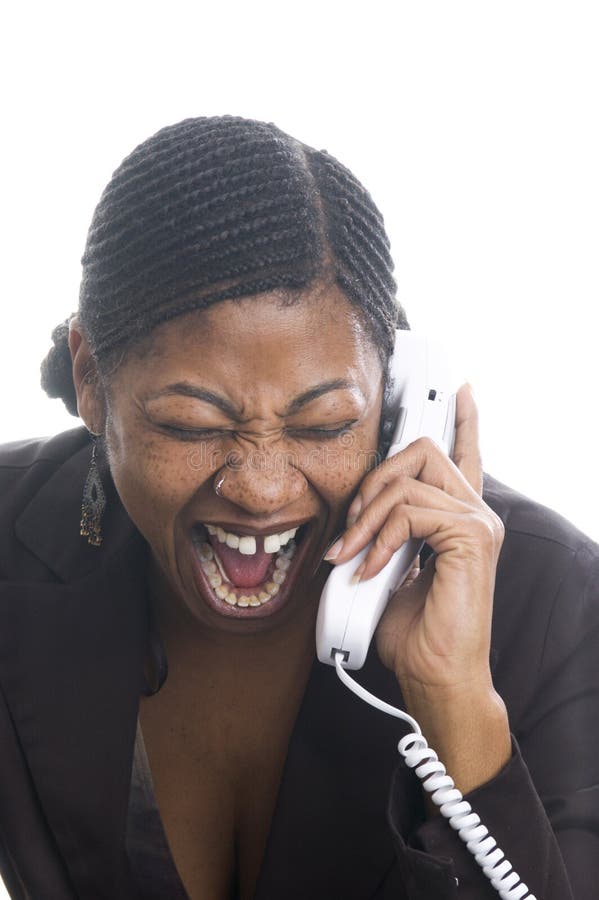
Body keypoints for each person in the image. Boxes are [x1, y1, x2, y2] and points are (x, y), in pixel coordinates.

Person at [0, 116, 597, 900]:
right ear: (90, 378)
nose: (262, 486)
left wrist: (457, 708)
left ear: (395, 399)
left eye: (323, 425)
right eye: (192, 424)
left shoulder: (551, 598)